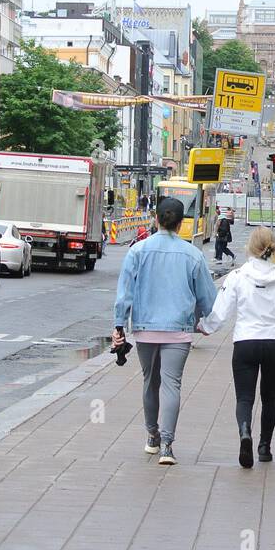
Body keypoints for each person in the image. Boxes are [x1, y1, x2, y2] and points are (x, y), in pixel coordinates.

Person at [199, 227, 275, 467]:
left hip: (245, 342)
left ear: (250, 248)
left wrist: (205, 327)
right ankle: (265, 447)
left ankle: (245, 432)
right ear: (272, 247)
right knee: (270, 397)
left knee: (244, 398)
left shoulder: (237, 276)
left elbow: (221, 311)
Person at [114, 196, 218, 466]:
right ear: (181, 223)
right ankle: (168, 447)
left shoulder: (137, 251)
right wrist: (206, 321)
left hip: (146, 329)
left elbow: (124, 294)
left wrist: (119, 326)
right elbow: (208, 297)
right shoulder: (193, 254)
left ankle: (152, 436)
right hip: (179, 330)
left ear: (156, 219)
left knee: (151, 381)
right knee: (172, 385)